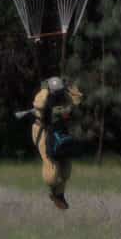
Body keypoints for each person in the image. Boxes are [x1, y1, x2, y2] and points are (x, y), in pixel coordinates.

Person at [15, 75, 84, 210]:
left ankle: (59, 195)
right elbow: (38, 104)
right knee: (51, 170)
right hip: (43, 132)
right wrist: (46, 90)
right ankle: (54, 190)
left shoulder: (65, 95)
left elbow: (77, 99)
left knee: (65, 168)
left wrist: (71, 87)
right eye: (56, 92)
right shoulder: (43, 96)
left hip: (60, 132)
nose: (58, 95)